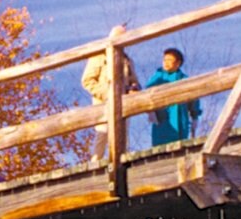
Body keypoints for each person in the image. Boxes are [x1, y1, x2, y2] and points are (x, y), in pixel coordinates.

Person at [79, 24, 138, 159]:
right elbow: (87, 80)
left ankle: (121, 162)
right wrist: (107, 94)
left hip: (124, 103)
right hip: (103, 103)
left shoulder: (127, 60)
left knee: (122, 136)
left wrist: (133, 89)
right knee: (102, 134)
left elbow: (134, 80)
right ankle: (95, 166)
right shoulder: (99, 57)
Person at [145, 47, 203, 146]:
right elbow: (147, 95)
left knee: (180, 145)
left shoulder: (184, 79)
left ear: (178, 63)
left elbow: (194, 99)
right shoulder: (158, 78)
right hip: (162, 119)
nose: (166, 63)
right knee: (161, 146)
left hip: (180, 119)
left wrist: (195, 117)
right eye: (164, 60)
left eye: (170, 60)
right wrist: (150, 112)